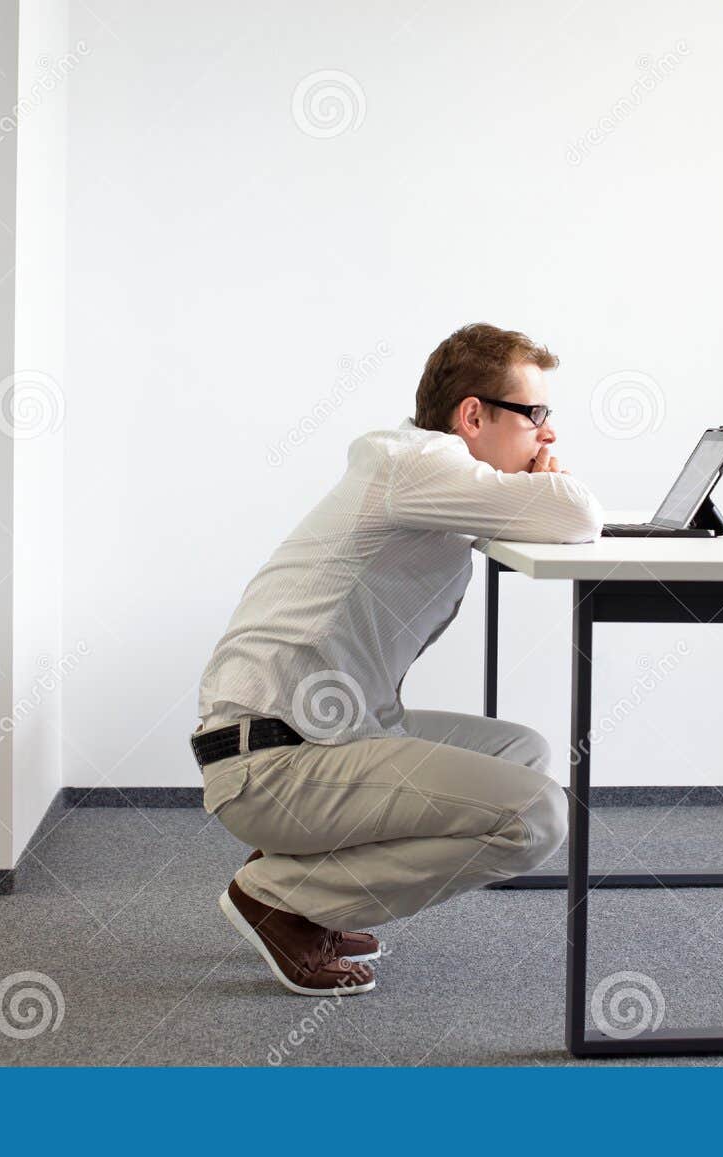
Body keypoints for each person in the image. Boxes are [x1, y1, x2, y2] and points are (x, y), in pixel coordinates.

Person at [191, 322, 605, 996]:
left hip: (314, 737)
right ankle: (283, 896)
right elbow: (579, 512)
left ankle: (308, 879)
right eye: (535, 415)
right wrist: (545, 491)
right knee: (538, 814)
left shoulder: (429, 475)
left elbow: (555, 515)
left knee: (521, 753)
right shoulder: (417, 464)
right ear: (472, 414)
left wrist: (533, 494)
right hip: (272, 764)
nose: (548, 435)